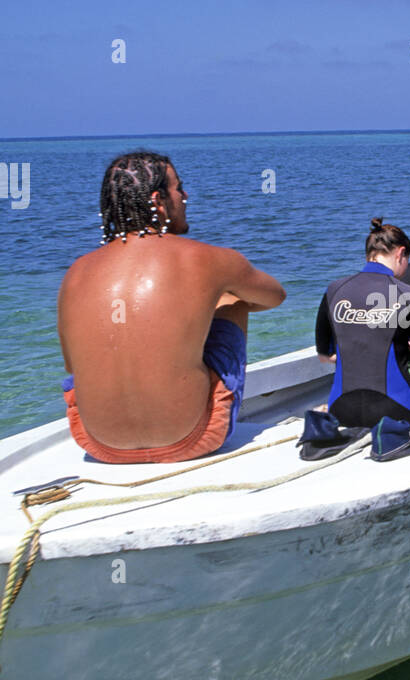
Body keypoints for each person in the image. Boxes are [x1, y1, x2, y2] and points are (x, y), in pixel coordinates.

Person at [57, 150, 287, 463]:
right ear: (158, 200)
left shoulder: (76, 273)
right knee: (232, 301)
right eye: (179, 188)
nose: (186, 196)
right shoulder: (209, 259)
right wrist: (209, 305)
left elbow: (73, 368)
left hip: (97, 445)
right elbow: (274, 296)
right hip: (193, 439)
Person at [315, 218, 410, 429]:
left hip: (341, 408)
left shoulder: (333, 290)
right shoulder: (409, 295)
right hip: (393, 408)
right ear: (400, 254)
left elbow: (325, 354)